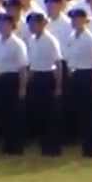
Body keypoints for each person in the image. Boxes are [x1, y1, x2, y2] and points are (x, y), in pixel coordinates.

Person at [63, 8, 92, 157]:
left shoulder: (91, 38)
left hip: (87, 75)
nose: (74, 22)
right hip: (75, 76)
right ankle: (84, 146)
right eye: (73, 19)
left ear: (84, 20)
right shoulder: (71, 36)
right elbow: (68, 59)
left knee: (90, 113)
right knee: (80, 112)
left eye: (77, 19)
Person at [0, 13, 29, 155]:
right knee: (3, 114)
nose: (2, 27)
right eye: (0, 24)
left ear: (12, 26)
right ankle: (7, 144)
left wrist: (22, 88)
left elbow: (23, 68)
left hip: (12, 79)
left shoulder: (18, 44)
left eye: (5, 24)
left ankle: (16, 146)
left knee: (14, 115)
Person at [25, 12, 64, 156]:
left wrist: (58, 86)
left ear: (43, 24)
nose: (32, 26)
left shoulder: (50, 40)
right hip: (36, 77)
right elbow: (31, 62)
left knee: (50, 114)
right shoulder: (31, 39)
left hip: (47, 77)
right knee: (39, 113)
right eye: (30, 24)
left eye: (35, 23)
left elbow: (58, 63)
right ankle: (44, 145)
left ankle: (53, 147)